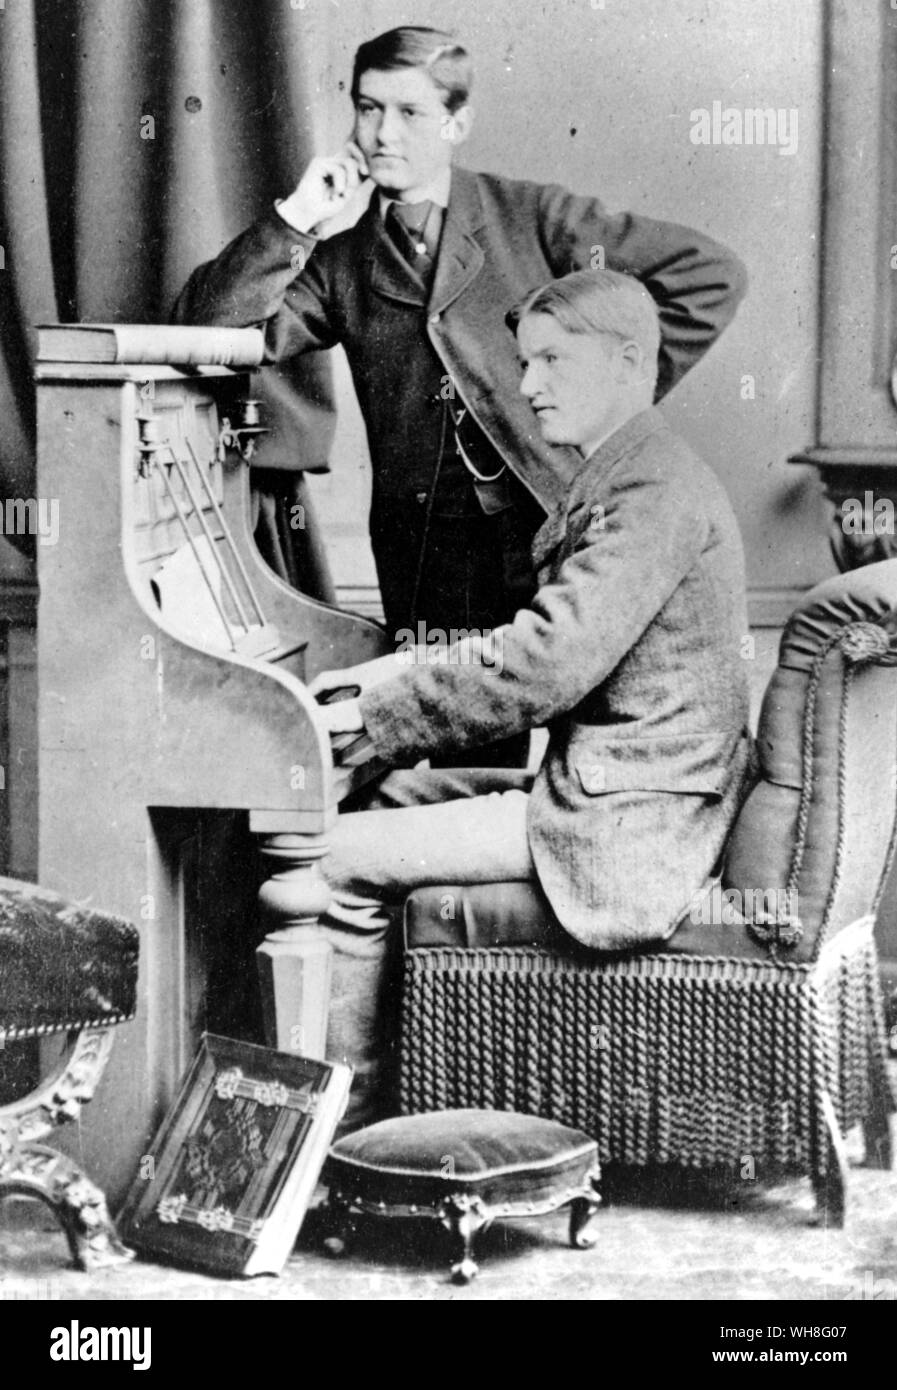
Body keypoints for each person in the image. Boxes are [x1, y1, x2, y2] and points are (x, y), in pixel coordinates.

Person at [173, 24, 747, 765]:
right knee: (461, 752)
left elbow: (708, 274)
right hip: (431, 555)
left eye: (409, 113)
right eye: (367, 108)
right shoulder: (340, 262)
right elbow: (208, 331)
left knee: (586, 737)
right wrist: (294, 221)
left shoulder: (531, 218)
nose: (382, 134)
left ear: (456, 122)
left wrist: (606, 400)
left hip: (554, 520)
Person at [305, 267, 753, 1126]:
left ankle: (340, 1134)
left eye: (551, 359)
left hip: (628, 822)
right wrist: (385, 678)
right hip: (615, 791)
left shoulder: (651, 490)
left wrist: (376, 717)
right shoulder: (631, 469)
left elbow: (543, 665)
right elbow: (538, 638)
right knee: (388, 791)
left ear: (627, 361)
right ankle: (401, 1101)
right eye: (523, 361)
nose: (527, 384)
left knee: (326, 863)